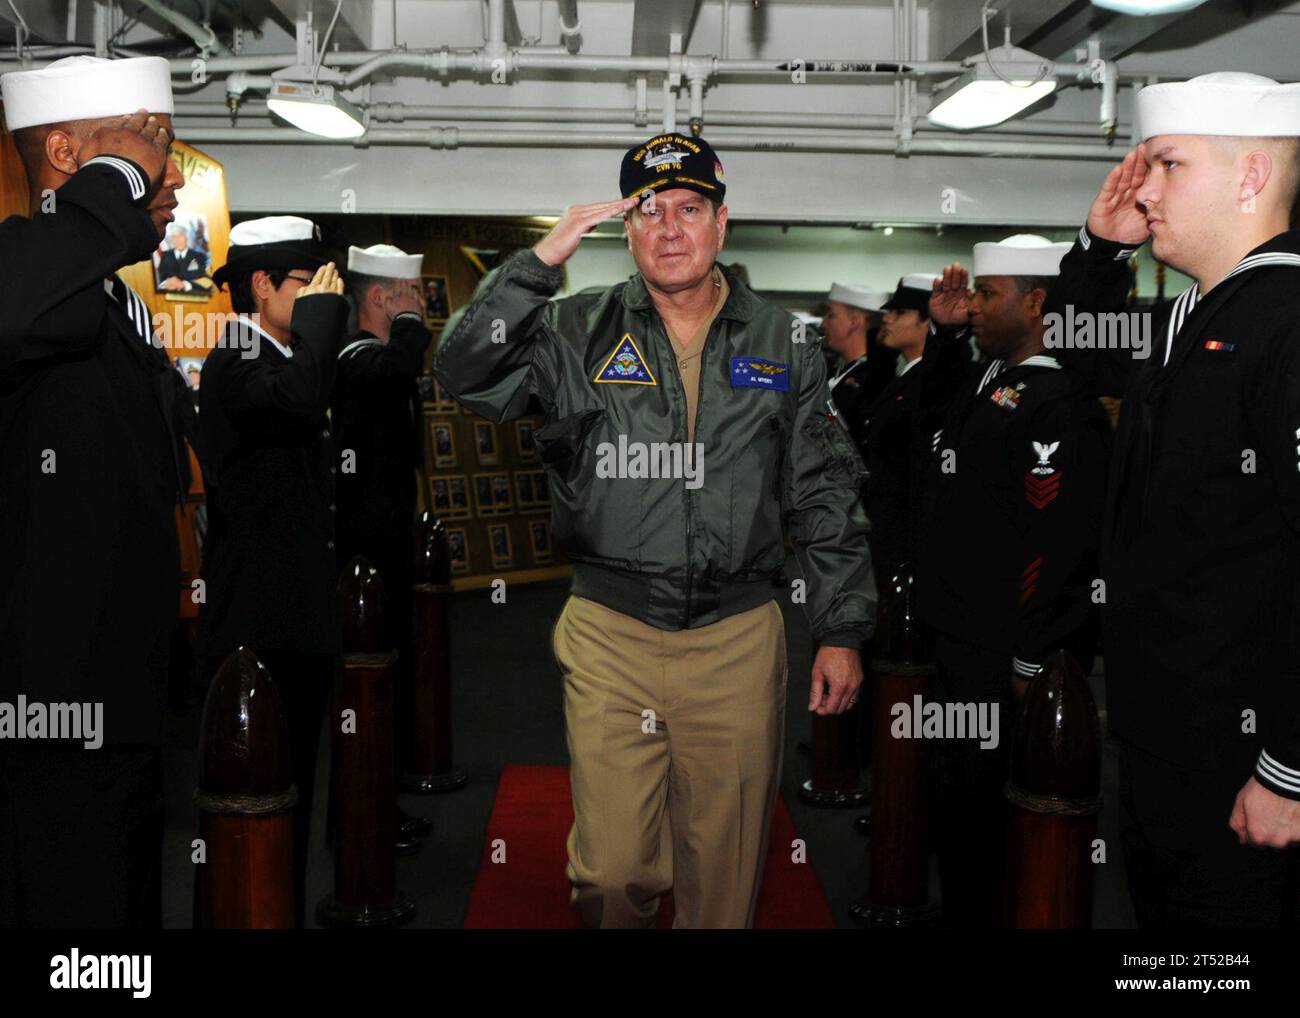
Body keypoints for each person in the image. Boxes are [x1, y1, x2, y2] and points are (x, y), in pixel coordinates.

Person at [433, 131, 874, 928]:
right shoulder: (574, 330)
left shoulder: (786, 343)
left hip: (737, 637)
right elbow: (460, 371)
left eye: (689, 209)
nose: (670, 228)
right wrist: (536, 266)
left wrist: (840, 627)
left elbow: (823, 490)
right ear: (627, 229)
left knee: (723, 884)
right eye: (649, 211)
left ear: (722, 222)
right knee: (611, 875)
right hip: (612, 631)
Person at [1050, 72, 1300, 929]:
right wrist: (1100, 252)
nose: (1144, 190)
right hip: (1167, 731)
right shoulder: (1197, 314)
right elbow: (1080, 353)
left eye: (1168, 165)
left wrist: (1289, 769)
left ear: (1250, 176)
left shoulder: (1285, 321)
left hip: (1246, 749)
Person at [0, 55, 191, 928]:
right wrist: (114, 181)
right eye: (149, 148)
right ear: (68, 154)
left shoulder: (109, 303)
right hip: (49, 709)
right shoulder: (32, 281)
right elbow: (19, 303)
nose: (169, 174)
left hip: (124, 695)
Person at [916, 236, 1111, 927]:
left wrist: (1034, 656)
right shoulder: (994, 379)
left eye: (987, 293)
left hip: (1002, 653)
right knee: (954, 796)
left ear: (1036, 304)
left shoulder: (1060, 404)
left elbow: (1061, 543)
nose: (973, 305)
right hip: (956, 637)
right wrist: (944, 335)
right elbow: (927, 422)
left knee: (991, 807)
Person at [196, 216, 347, 927]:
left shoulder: (280, 355)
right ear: (261, 284)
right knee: (254, 799)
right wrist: (322, 323)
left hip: (294, 612)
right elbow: (297, 401)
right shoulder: (235, 356)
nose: (323, 298)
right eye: (308, 285)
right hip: (258, 618)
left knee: (293, 790)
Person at [335, 243, 434, 851]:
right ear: (380, 297)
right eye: (411, 294)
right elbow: (398, 366)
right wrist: (409, 323)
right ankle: (366, 812)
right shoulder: (357, 359)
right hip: (365, 545)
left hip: (386, 535)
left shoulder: (378, 359)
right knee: (370, 677)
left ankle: (383, 797)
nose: (420, 304)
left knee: (391, 670)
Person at [821, 283, 884, 451]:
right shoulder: (837, 372)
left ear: (854, 322)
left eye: (831, 316)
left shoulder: (872, 381)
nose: (824, 324)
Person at [156, 223, 212, 293]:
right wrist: (169, 283)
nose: (178, 240)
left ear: (186, 238)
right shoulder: (166, 255)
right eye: (174, 237)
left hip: (193, 294)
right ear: (172, 239)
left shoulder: (199, 256)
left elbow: (204, 278)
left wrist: (185, 284)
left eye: (180, 236)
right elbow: (162, 276)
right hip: (169, 293)